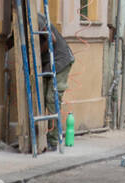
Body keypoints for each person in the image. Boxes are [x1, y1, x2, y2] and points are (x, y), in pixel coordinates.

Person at [7, 13, 75, 150]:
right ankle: (38, 138)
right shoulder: (18, 19)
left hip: (60, 60)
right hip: (45, 64)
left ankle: (53, 140)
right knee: (39, 98)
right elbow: (12, 40)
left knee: (51, 98)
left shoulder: (34, 17)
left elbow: (52, 39)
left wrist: (34, 55)